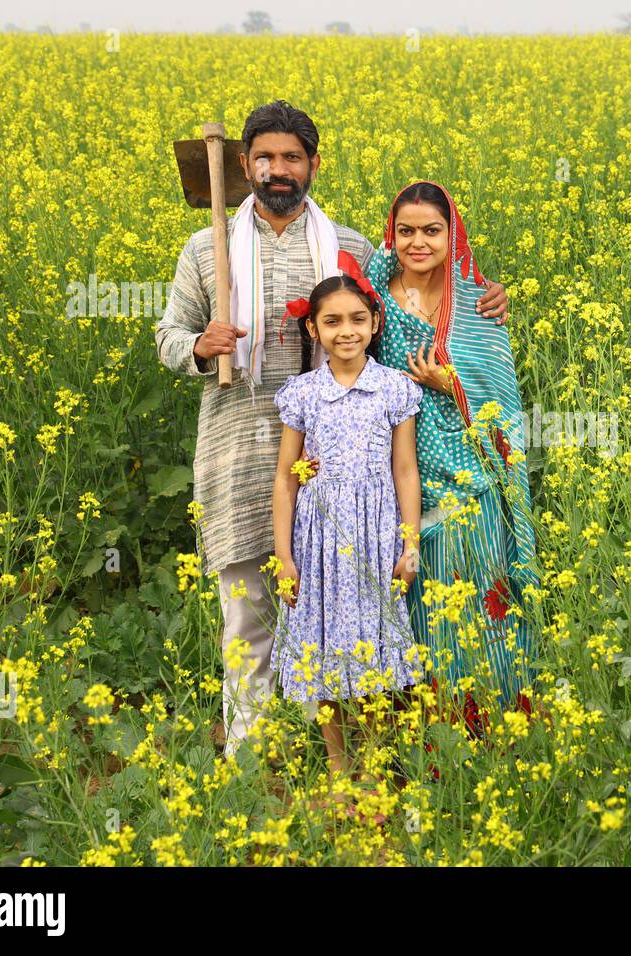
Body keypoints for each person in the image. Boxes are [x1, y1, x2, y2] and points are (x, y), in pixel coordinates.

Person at [154, 100, 508, 757]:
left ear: (314, 164)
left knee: (350, 606)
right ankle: (249, 758)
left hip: (344, 470)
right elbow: (167, 339)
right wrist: (201, 345)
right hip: (238, 453)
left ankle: (350, 757)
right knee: (249, 615)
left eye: (291, 157)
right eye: (264, 158)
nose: (277, 169)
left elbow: (408, 302)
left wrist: (484, 298)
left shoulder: (350, 250)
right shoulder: (207, 249)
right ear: (244, 165)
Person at [367, 181, 541, 734]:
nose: (418, 242)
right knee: (421, 610)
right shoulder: (372, 289)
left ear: (453, 233)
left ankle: (495, 726)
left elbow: (501, 394)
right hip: (398, 475)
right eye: (406, 231)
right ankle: (431, 738)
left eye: (432, 231)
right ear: (391, 234)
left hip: (472, 478)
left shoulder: (475, 300)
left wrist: (452, 384)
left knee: (481, 603)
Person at [270, 251, 423, 810]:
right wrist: (283, 557)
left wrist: (410, 543)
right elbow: (286, 480)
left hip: (377, 532)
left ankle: (378, 762)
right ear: (313, 328)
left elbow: (404, 470)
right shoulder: (302, 393)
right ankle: (338, 768)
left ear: (375, 322)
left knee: (376, 655)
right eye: (331, 321)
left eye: (357, 319)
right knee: (326, 654)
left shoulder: (395, 390)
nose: (346, 331)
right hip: (317, 540)